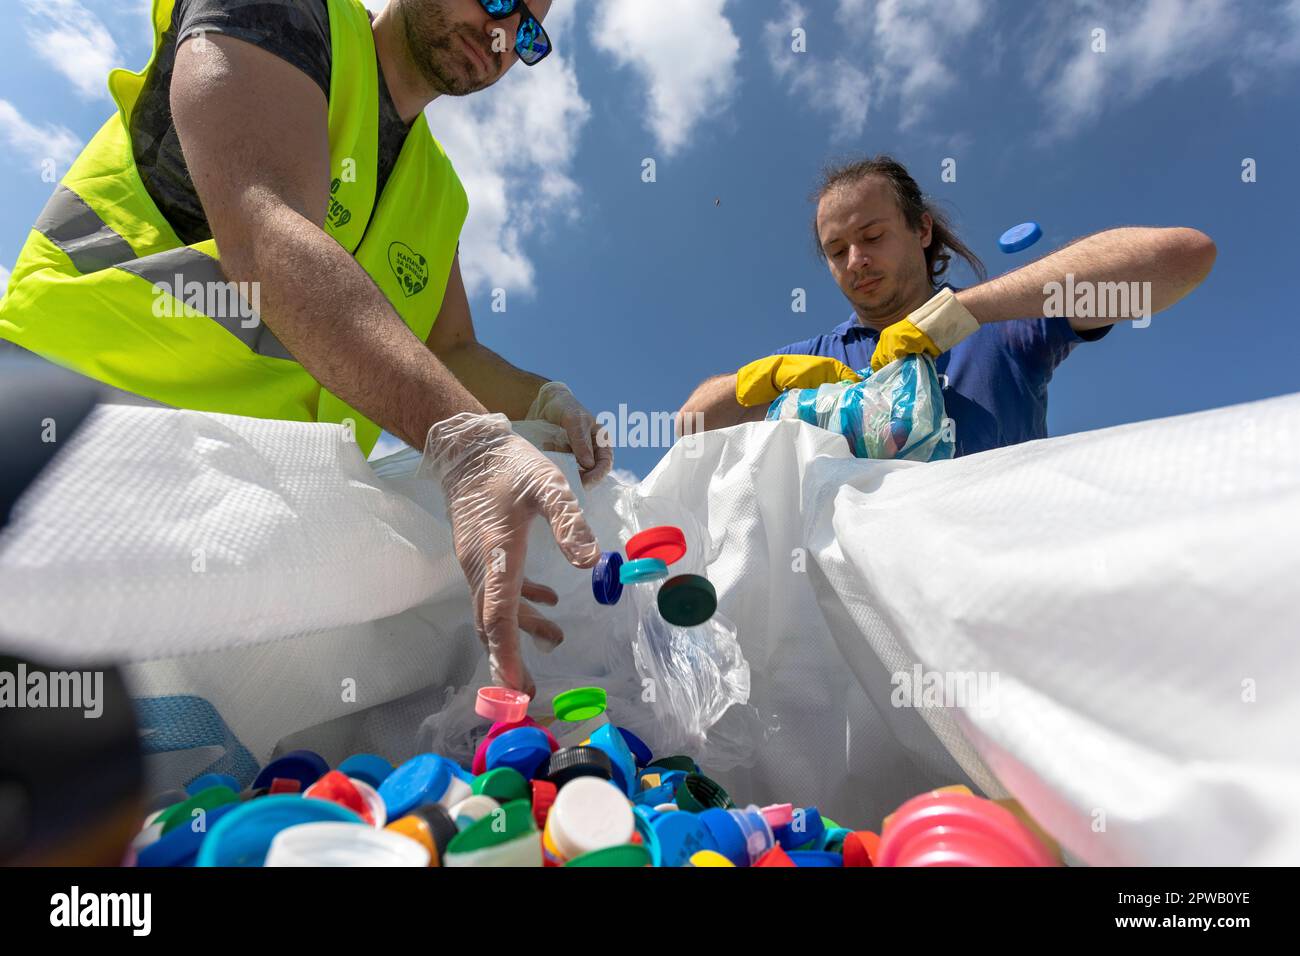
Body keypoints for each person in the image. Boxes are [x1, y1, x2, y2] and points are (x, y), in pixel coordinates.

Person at [0, 0, 606, 695]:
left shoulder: (440, 196)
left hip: (236, 528)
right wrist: (468, 443)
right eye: (499, 1)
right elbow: (264, 224)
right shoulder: (292, 12)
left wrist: (543, 401)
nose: (502, 34)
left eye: (528, 32)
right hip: (69, 443)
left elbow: (453, 351)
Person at [677, 155, 1217, 456]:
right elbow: (688, 427)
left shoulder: (1004, 327)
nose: (855, 260)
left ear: (922, 229)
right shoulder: (817, 358)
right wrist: (765, 378)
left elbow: (1181, 259)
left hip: (1001, 592)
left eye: (872, 235)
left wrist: (962, 314)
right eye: (836, 251)